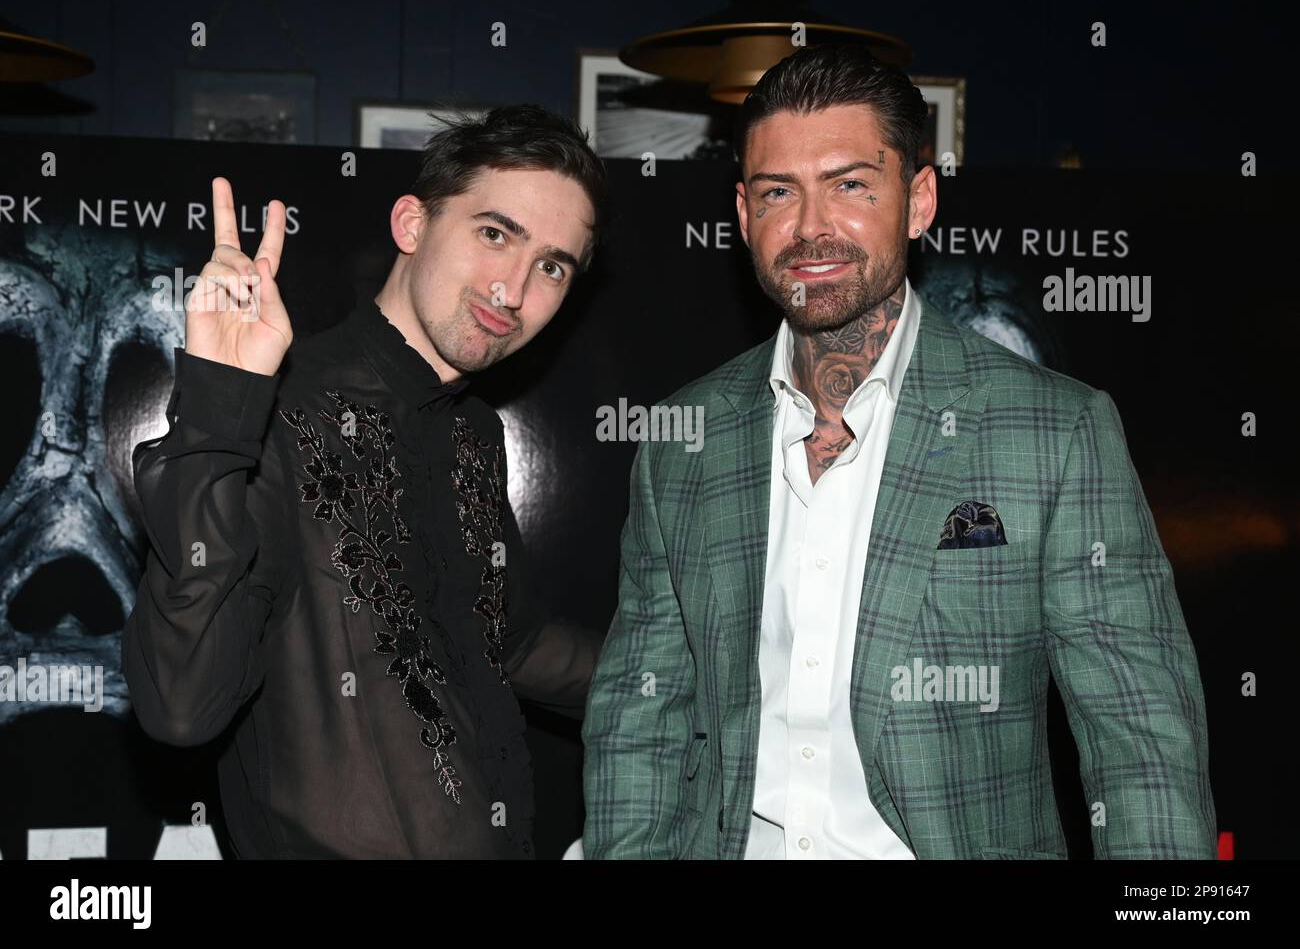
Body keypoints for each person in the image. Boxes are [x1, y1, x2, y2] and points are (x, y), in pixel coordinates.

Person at [581, 45, 1216, 859]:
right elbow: (641, 720)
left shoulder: (1055, 432)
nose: (810, 227)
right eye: (778, 192)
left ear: (918, 201)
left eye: (850, 185)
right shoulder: (684, 439)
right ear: (742, 214)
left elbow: (1142, 745)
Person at [123, 105, 606, 858]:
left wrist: (701, 673)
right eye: (494, 233)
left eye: (551, 266)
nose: (512, 289)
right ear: (412, 224)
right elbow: (180, 704)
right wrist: (221, 409)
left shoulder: (474, 432)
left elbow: (511, 640)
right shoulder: (281, 414)